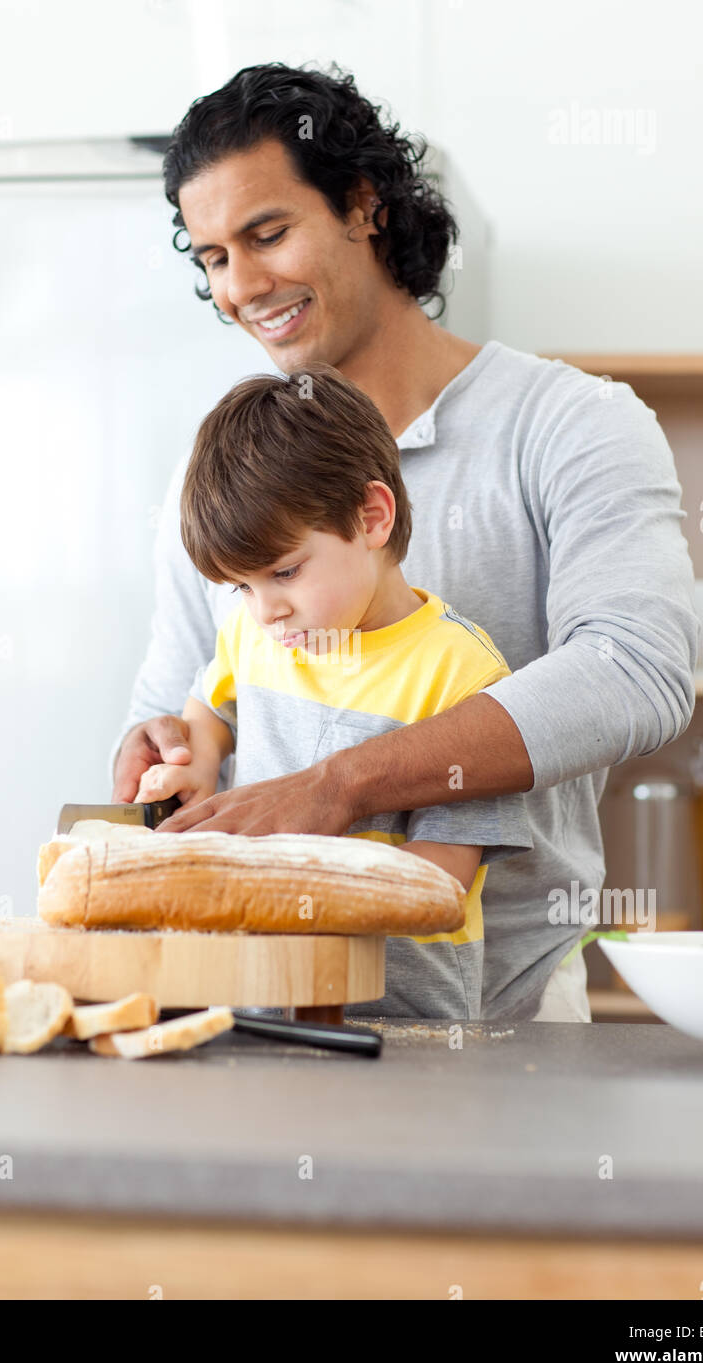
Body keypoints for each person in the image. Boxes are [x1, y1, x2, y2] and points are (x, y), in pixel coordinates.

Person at [110, 63, 698, 1021]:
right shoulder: (221, 476)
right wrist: (161, 746)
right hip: (269, 996)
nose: (242, 286)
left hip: (495, 1006)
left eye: (267, 234)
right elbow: (181, 693)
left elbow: (635, 671)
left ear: (362, 205)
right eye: (214, 256)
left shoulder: (571, 423)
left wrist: (336, 786)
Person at [135, 363, 534, 1019]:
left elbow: (442, 879)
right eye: (242, 586)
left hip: (403, 1018)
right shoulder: (254, 634)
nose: (265, 611)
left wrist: (291, 886)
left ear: (372, 517)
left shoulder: (462, 675)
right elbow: (210, 708)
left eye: (284, 572)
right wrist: (197, 765)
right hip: (259, 1001)